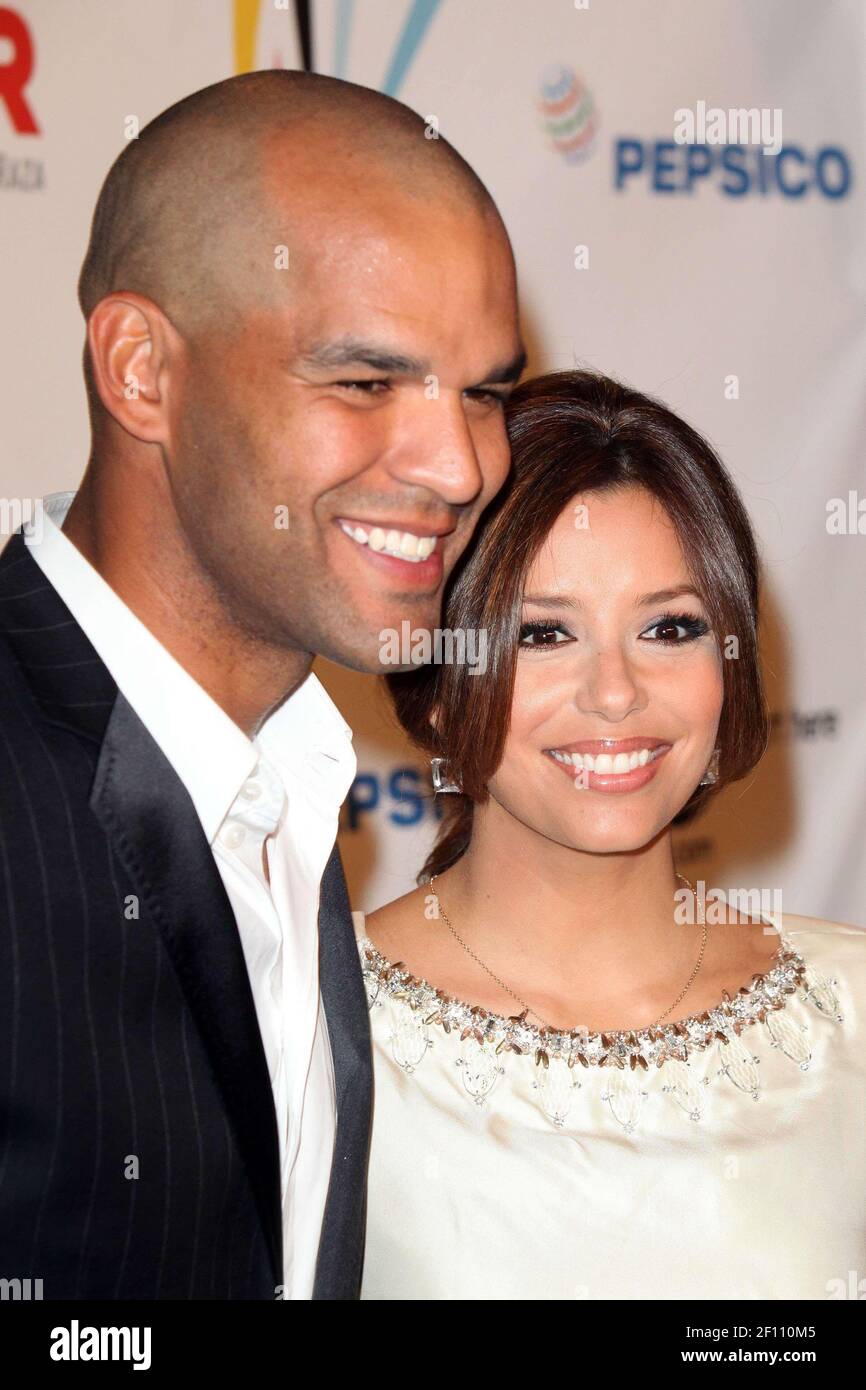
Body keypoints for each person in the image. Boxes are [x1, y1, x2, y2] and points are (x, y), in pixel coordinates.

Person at [0, 69, 524, 1299]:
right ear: (141, 371)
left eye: (486, 392)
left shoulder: (284, 775)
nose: (457, 466)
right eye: (363, 382)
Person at [358, 369, 866, 1300]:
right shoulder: (309, 1032)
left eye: (671, 628)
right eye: (545, 636)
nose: (617, 692)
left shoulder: (852, 1019)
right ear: (436, 687)